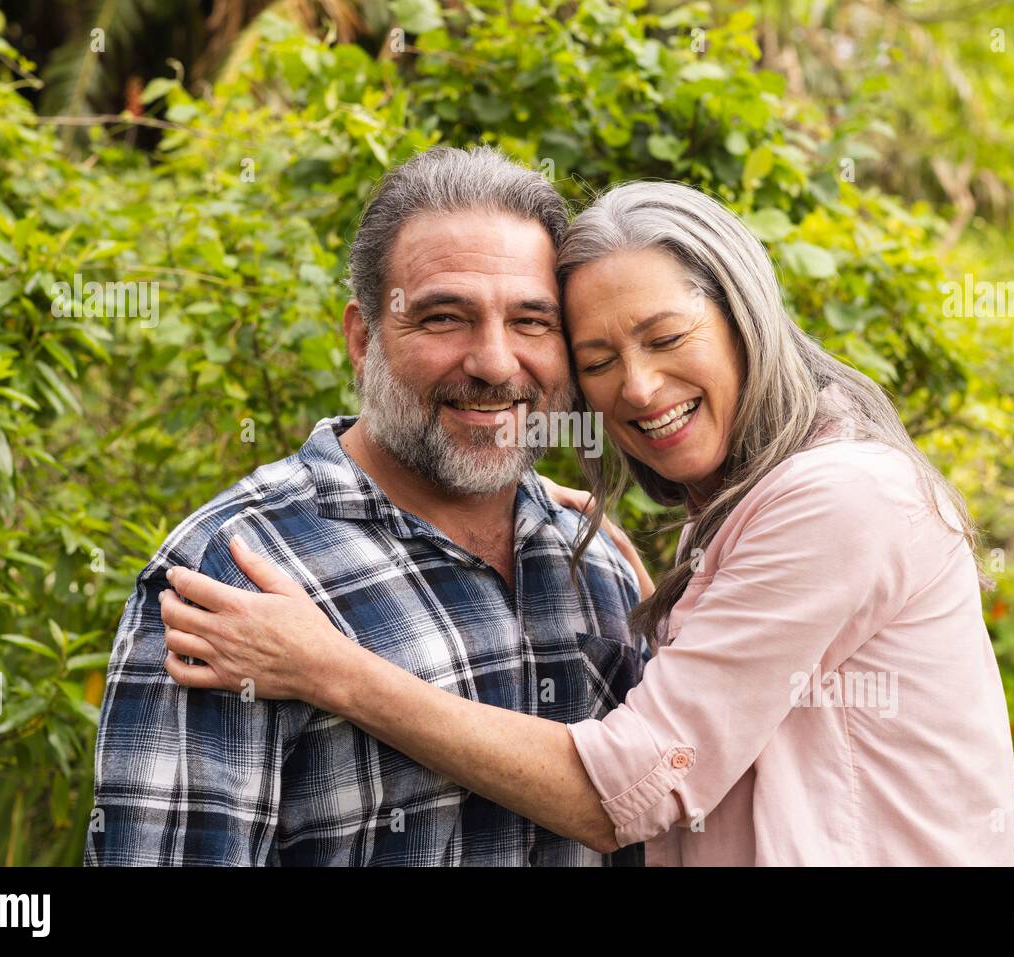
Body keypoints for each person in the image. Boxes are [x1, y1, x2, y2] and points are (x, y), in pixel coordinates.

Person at [161, 180, 1014, 866]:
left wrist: (330, 668)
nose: (638, 388)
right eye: (599, 359)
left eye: (667, 335)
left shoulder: (838, 496)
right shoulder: (238, 561)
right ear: (363, 336)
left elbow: (635, 786)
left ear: (744, 320)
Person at [84, 146, 651, 866]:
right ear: (363, 338)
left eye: (533, 322)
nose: (495, 363)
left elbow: (653, 806)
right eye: (445, 317)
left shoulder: (595, 561)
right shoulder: (231, 575)